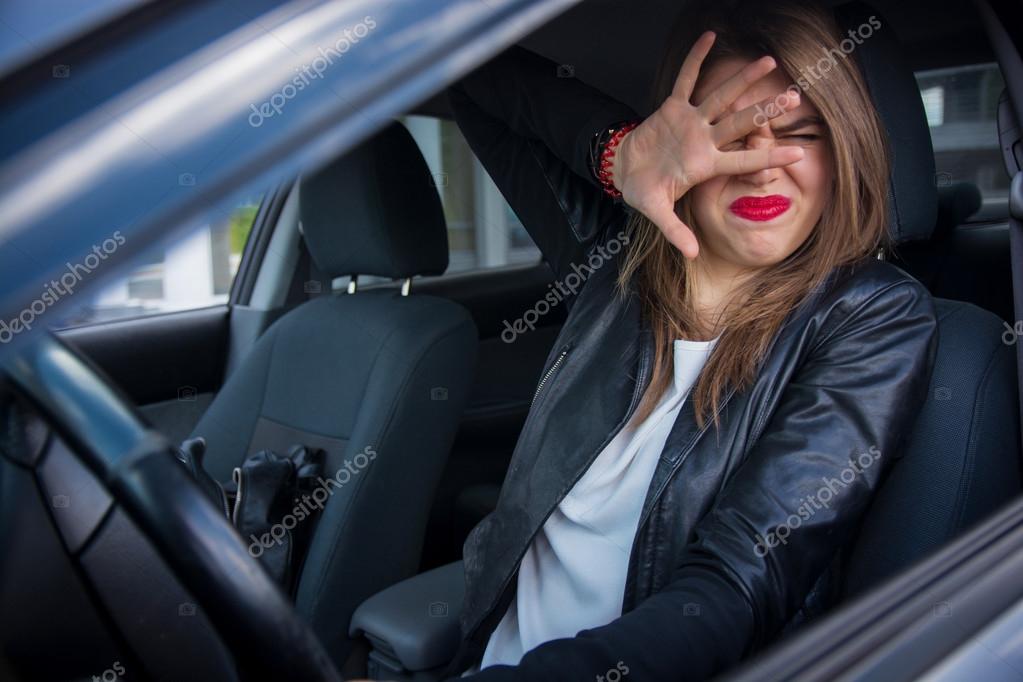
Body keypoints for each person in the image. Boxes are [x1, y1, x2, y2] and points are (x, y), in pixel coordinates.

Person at [394, 0, 938, 679]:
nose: (761, 165)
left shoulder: (872, 318)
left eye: (799, 133)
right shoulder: (612, 266)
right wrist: (621, 153)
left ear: (845, 151)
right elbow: (477, 75)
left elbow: (735, 585)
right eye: (726, 137)